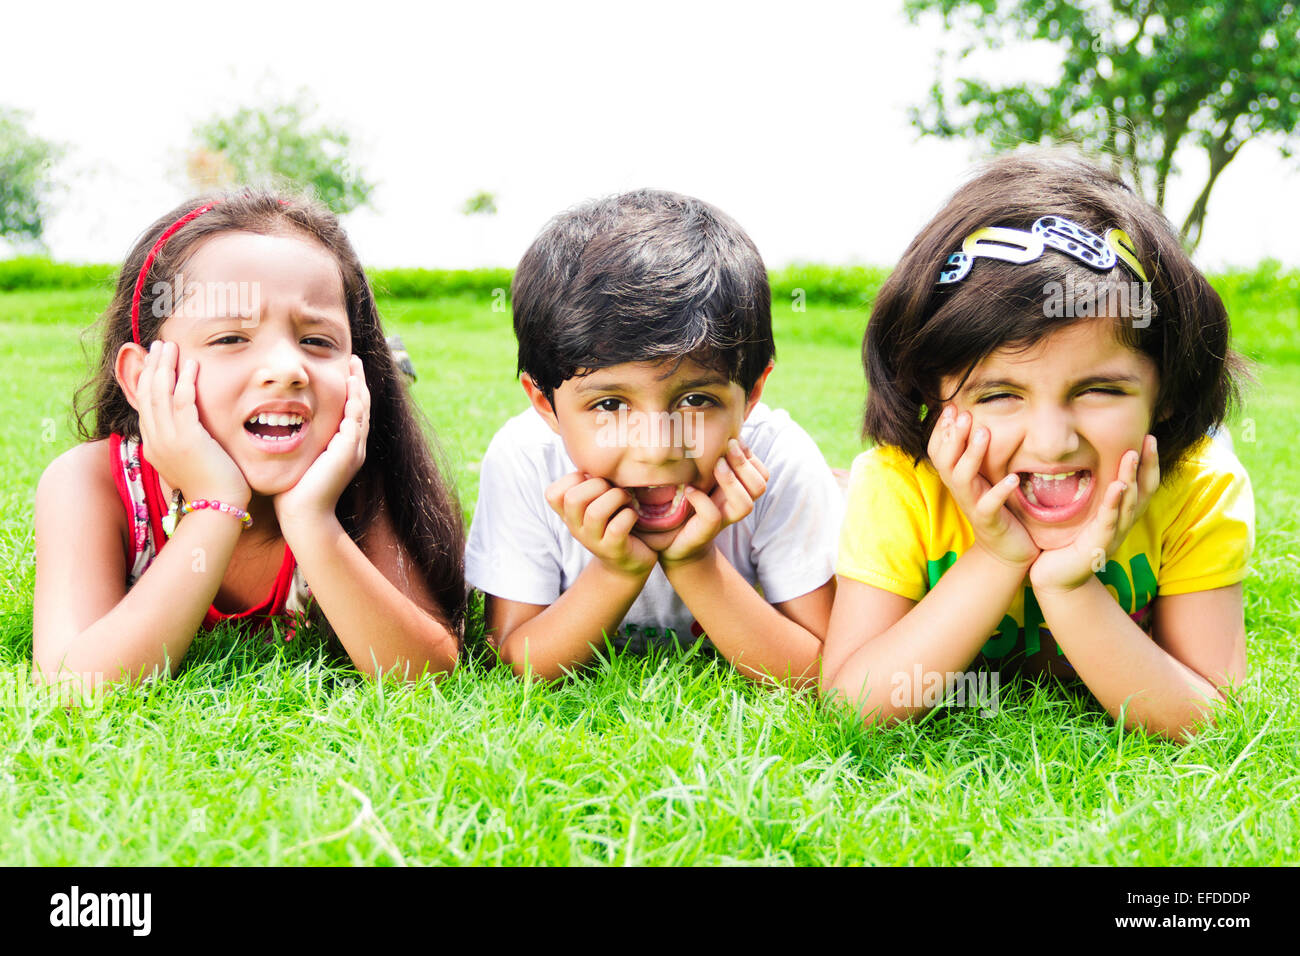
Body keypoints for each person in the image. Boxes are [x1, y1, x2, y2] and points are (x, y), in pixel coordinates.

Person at [821, 153, 1253, 741]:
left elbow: (1211, 721)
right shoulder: (899, 486)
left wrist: (1070, 586)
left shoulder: (1198, 489)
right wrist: (996, 558)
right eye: (999, 394)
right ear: (931, 397)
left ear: (1169, 389)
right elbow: (856, 706)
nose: (1051, 443)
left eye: (1098, 389)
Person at [33, 191, 466, 690]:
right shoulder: (94, 482)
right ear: (143, 376)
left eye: (317, 341)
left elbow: (424, 675)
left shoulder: (353, 473)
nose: (287, 369)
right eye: (231, 338)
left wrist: (312, 520)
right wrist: (216, 505)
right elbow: (73, 685)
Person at [465, 189, 842, 685]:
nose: (657, 448)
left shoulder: (781, 460)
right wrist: (616, 572)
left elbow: (825, 674)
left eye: (695, 401)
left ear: (751, 394)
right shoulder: (525, 459)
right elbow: (513, 663)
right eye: (609, 405)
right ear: (545, 404)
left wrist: (696, 563)